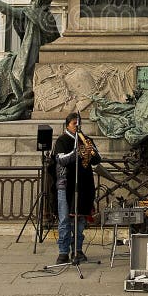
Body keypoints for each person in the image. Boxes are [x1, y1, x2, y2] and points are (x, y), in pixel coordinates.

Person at [53, 112, 101, 265]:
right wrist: (76, 153)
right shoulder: (62, 140)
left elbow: (97, 159)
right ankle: (63, 252)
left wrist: (90, 151)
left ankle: (78, 250)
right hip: (66, 185)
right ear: (68, 125)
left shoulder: (86, 139)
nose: (77, 127)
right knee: (65, 219)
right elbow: (60, 160)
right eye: (74, 124)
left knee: (80, 220)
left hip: (83, 185)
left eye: (79, 124)